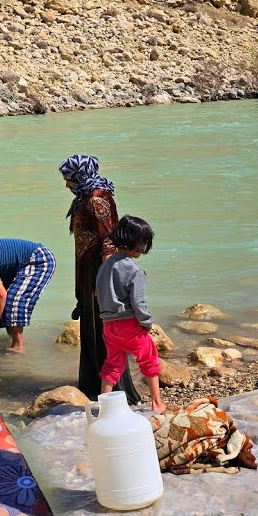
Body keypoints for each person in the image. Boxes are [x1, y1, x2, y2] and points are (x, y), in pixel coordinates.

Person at [60, 154, 141, 402]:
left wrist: (104, 281)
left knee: (102, 326)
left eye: (69, 179)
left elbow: (109, 242)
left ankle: (113, 392)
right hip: (88, 267)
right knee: (91, 323)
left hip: (98, 267)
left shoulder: (97, 199)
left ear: (80, 176)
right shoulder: (86, 197)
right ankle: (94, 385)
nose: (66, 184)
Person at [96, 216, 166, 413]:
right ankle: (157, 403)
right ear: (138, 245)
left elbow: (98, 293)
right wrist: (147, 322)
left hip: (108, 325)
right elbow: (138, 303)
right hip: (130, 324)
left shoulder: (104, 267)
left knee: (112, 365)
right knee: (149, 359)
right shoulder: (135, 271)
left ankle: (105, 408)